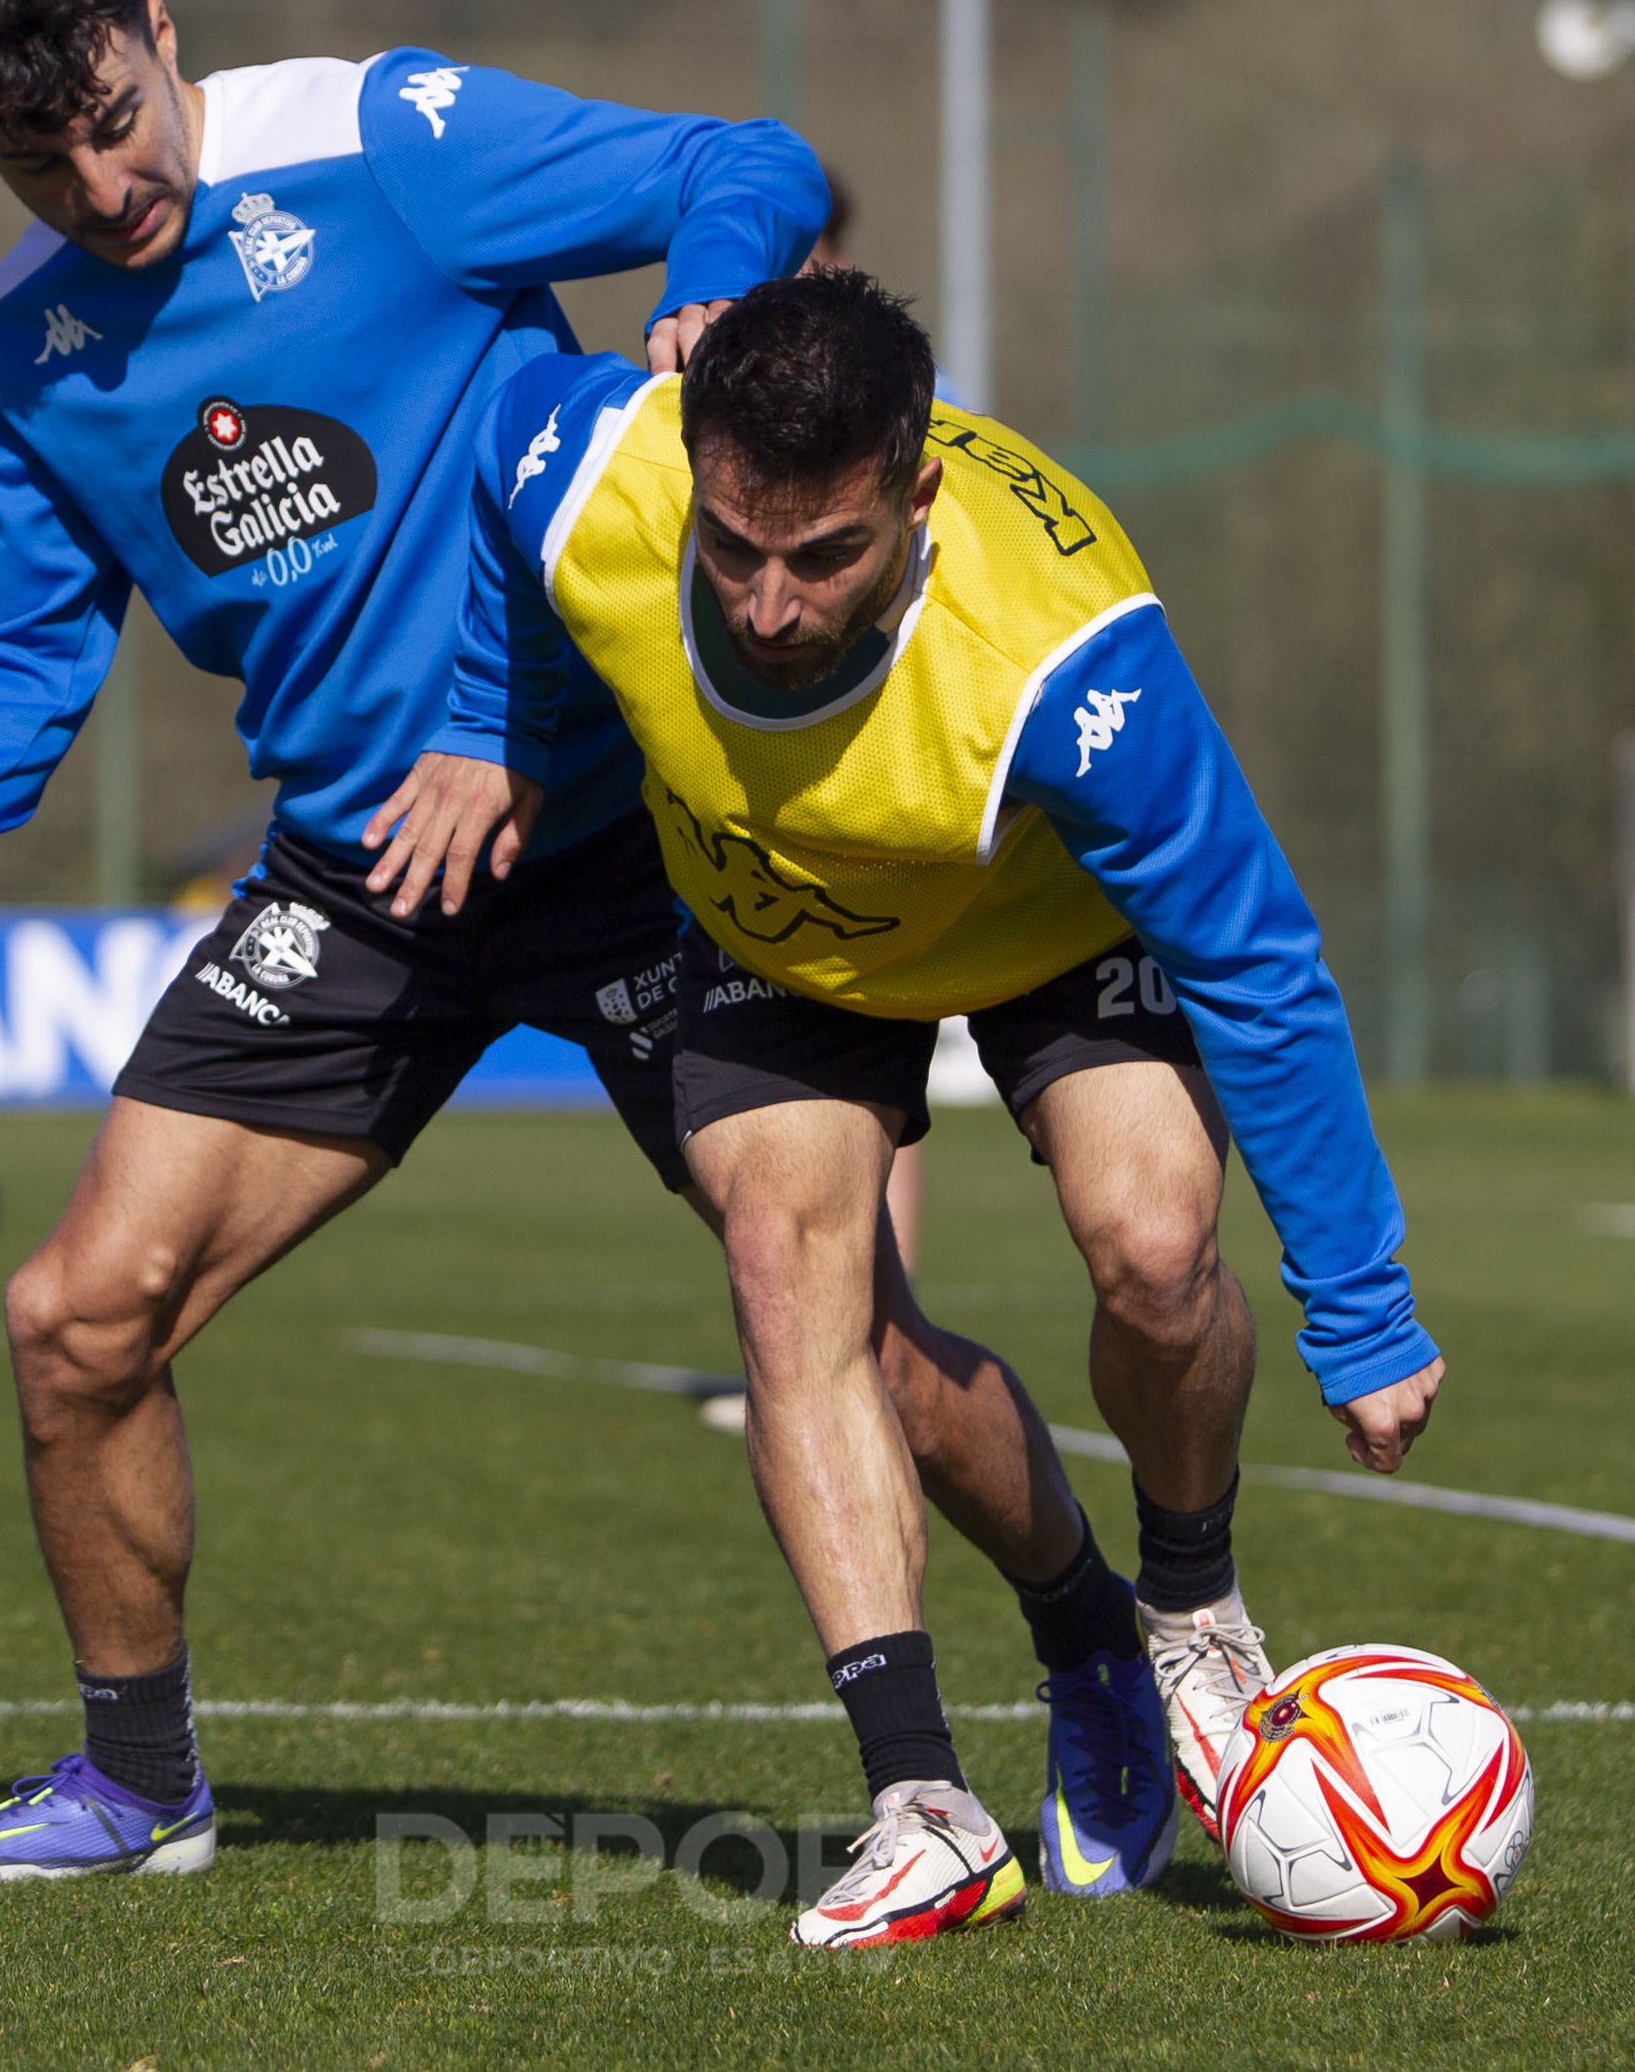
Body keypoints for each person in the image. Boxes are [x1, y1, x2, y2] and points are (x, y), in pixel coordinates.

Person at [0, 0, 1165, 1887]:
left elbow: (754, 163)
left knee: (856, 1341)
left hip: (641, 841)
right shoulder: (26, 354)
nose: (102, 177)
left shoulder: (378, 145)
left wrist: (712, 292)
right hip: (366, 876)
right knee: (74, 1317)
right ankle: (139, 1786)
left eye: (114, 111)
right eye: (38, 155)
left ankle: (1084, 1631)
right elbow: (24, 674)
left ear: (158, 19)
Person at [387, 269, 1444, 1947]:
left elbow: (1258, 959)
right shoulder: (590, 462)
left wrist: (1362, 1307)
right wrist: (480, 722)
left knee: (1153, 1249)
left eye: (823, 557)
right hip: (774, 931)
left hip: (1045, 917)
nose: (768, 603)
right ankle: (930, 1798)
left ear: (917, 491)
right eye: (732, 548)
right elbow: (504, 455)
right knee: (801, 1288)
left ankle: (1184, 1608)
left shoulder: (1069, 667)